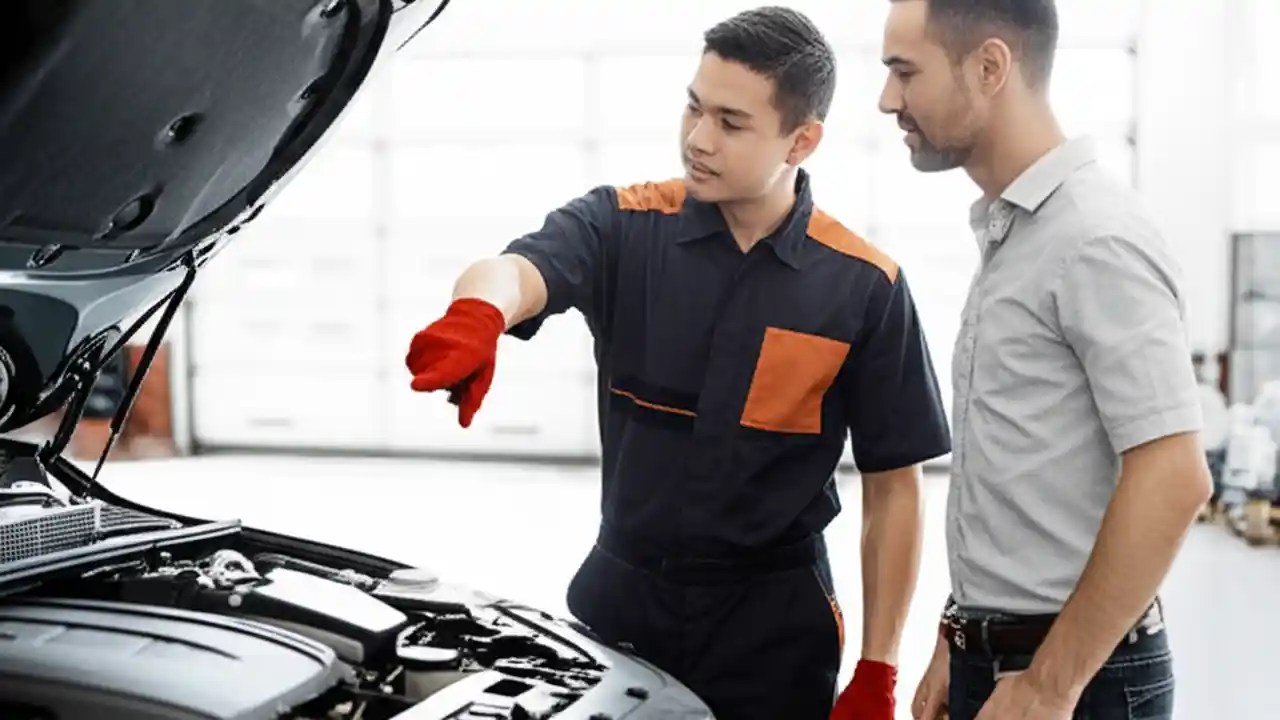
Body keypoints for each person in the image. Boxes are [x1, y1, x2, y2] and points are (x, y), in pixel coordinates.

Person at [404, 6, 952, 719]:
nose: (698, 139)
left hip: (776, 627)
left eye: (731, 123)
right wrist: (479, 313)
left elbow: (894, 490)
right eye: (693, 108)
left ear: (802, 140)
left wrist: (878, 667)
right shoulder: (623, 226)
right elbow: (515, 270)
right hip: (621, 604)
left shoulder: (863, 285)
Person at [874, 1, 1214, 718]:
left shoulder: (1093, 237)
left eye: (905, 72)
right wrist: (957, 627)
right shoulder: (1019, 234)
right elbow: (1024, 480)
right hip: (999, 659)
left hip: (1076, 682)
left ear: (990, 67)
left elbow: (1174, 475)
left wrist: (1048, 686)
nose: (888, 100)